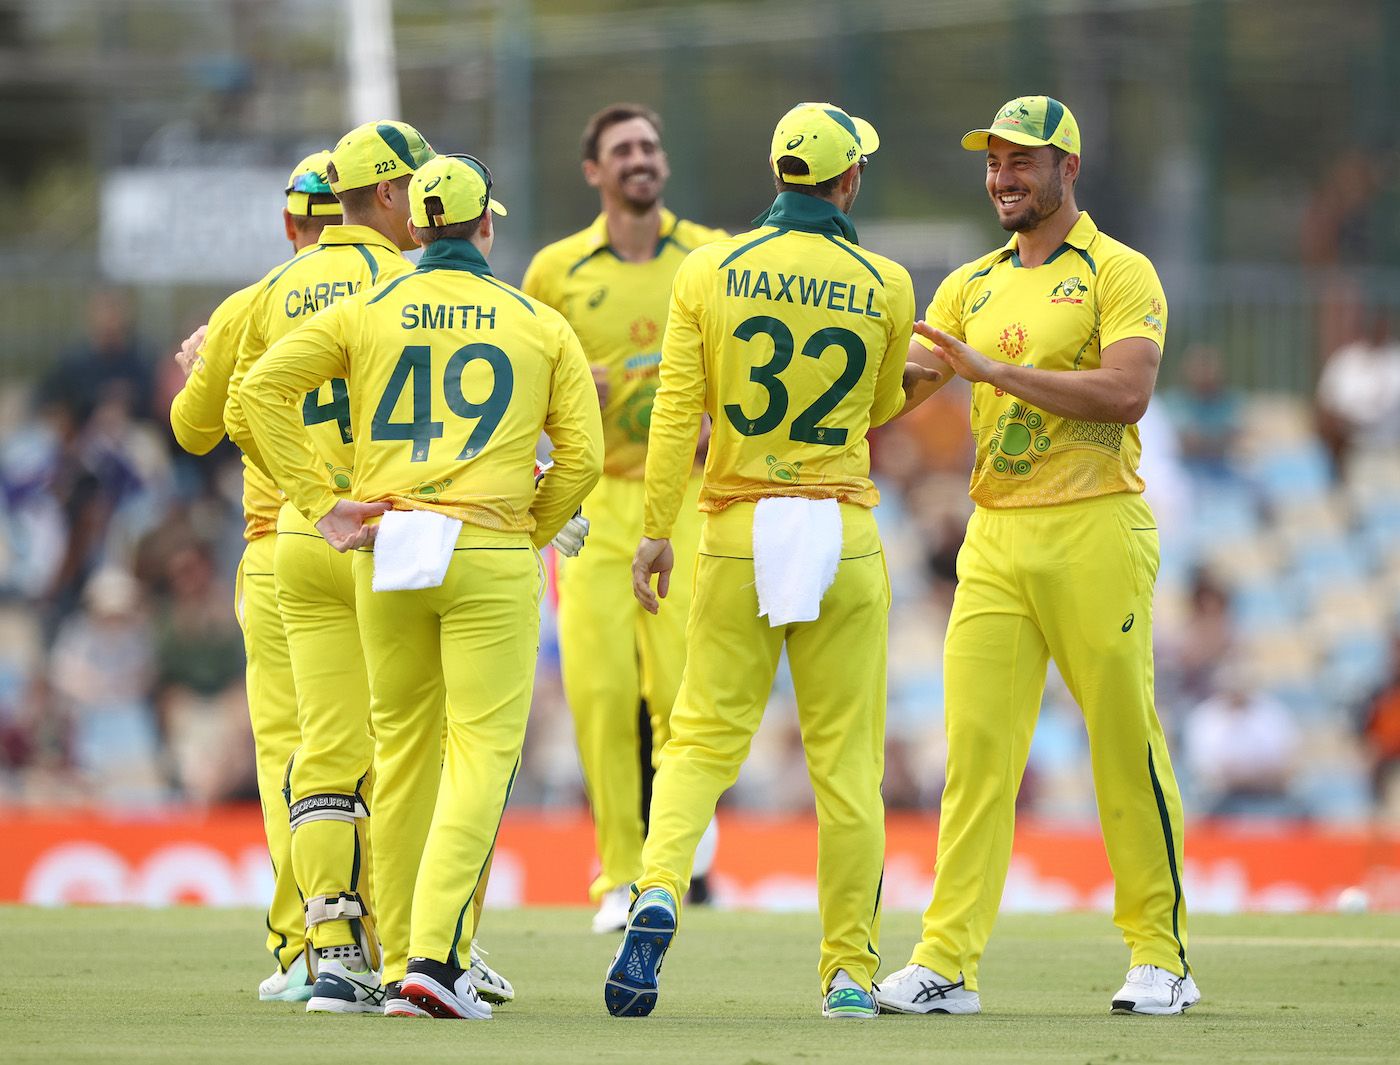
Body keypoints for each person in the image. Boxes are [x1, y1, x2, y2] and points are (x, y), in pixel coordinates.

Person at [240, 152, 603, 1020]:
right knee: (477, 752)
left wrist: (323, 503)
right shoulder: (537, 321)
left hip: (391, 543)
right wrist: (530, 526)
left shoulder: (366, 308)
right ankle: (438, 959)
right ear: (485, 227)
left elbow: (257, 393)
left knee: (398, 753)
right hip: (485, 548)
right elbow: (584, 461)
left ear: (418, 224)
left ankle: (398, 952)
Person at [880, 96, 1199, 1017]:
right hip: (997, 533)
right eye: (993, 163)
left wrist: (995, 374)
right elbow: (903, 387)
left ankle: (1160, 953)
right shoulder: (970, 282)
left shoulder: (1118, 270)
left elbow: (1127, 392)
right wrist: (779, 428)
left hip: (1097, 522)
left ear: (1068, 167)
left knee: (1121, 741)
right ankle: (946, 961)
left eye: (1022, 161)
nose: (1003, 177)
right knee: (977, 752)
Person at [608, 101, 915, 1021]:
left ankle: (657, 886)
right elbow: (876, 405)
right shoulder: (888, 279)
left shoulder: (709, 268)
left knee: (699, 737)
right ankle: (849, 973)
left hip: (738, 522)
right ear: (848, 179)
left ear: (779, 173)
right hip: (839, 527)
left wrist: (656, 525)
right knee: (847, 765)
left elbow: (674, 412)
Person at [520, 103, 727, 932]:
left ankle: (677, 857)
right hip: (594, 498)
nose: (641, 158)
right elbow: (506, 383)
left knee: (682, 688)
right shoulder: (556, 271)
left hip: (682, 495)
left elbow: (743, 364)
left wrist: (722, 414)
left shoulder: (711, 257)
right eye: (622, 150)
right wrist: (560, 398)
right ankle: (617, 878)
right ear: (593, 172)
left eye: (650, 144)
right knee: (601, 691)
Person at [166, 151, 342, 1001]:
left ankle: (305, 947)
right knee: (389, 751)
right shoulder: (404, 295)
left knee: (289, 755)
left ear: (290, 223)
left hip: (283, 546)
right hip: (393, 537)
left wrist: (215, 356)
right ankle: (397, 943)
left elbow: (192, 430)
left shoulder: (256, 301)